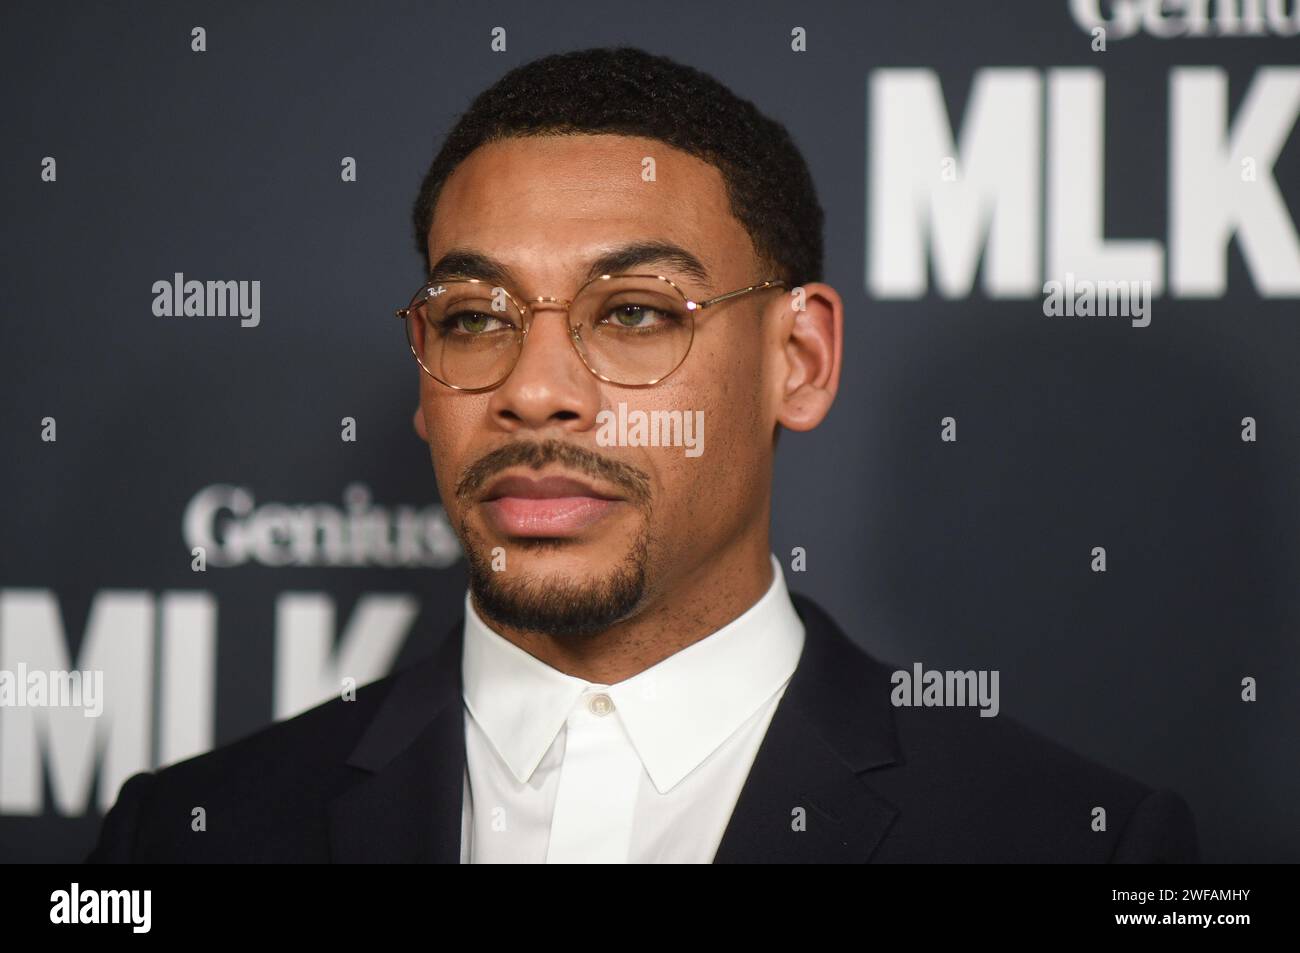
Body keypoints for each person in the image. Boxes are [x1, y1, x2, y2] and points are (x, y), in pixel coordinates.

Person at [87, 46, 1196, 863]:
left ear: (797, 358)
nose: (534, 391)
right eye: (474, 316)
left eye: (633, 313)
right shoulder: (186, 837)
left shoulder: (1078, 844)